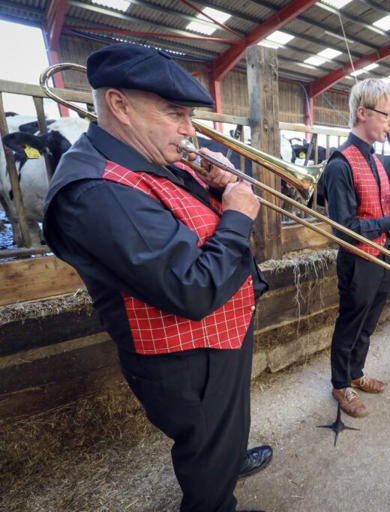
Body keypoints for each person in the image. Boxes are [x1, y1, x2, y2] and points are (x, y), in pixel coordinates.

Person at [42, 43, 271, 512]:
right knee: (205, 454)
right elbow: (191, 287)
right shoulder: (96, 190)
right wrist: (238, 218)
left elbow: (179, 225)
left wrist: (214, 185)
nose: (190, 130)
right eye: (175, 114)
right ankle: (215, 489)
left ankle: (226, 458)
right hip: (186, 356)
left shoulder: (143, 157)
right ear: (119, 105)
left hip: (216, 339)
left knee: (221, 434)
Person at [319, 78, 390, 417]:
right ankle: (340, 385)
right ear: (362, 113)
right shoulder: (339, 164)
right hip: (357, 260)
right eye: (388, 115)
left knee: (368, 322)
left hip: (381, 255)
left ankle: (356, 373)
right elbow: (345, 228)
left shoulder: (376, 160)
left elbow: (375, 208)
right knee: (350, 323)